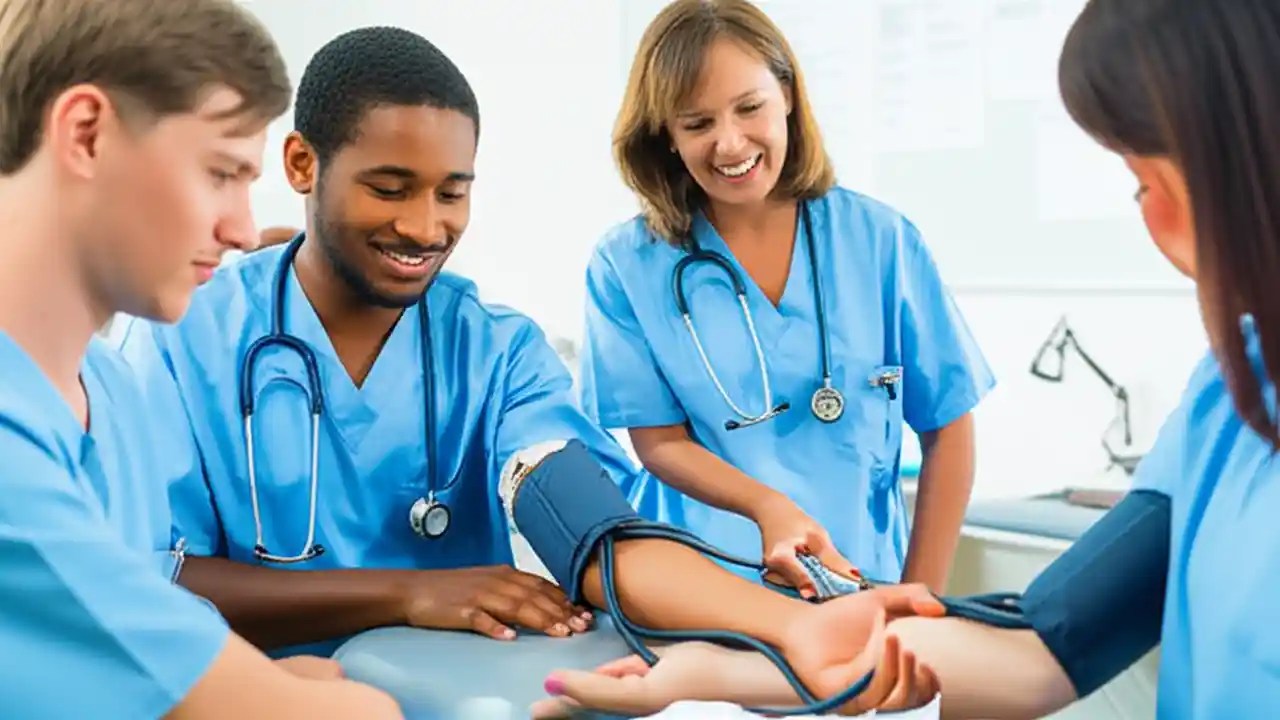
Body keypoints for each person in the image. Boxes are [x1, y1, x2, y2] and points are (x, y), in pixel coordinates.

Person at [534, 0, 1280, 717]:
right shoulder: (1225, 399)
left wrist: (910, 596)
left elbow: (954, 441)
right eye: (1137, 184)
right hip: (730, 624)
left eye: (1148, 179)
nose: (1149, 217)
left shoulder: (877, 240)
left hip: (859, 603)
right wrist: (709, 671)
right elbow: (1043, 653)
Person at [0, 0, 402, 716]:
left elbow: (148, 616)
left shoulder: (111, 393)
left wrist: (272, 683)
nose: (244, 228)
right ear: (86, 134)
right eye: (220, 173)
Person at [577, 0, 993, 595]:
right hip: (701, 592)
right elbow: (658, 442)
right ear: (666, 136)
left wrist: (917, 597)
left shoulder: (879, 241)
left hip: (859, 585)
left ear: (788, 96)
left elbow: (948, 425)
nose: (729, 143)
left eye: (750, 108)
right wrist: (766, 506)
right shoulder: (625, 265)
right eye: (696, 124)